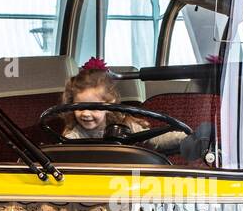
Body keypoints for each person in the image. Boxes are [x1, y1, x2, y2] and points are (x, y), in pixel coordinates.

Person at [60, 59, 209, 158]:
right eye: (79, 107)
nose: (85, 113)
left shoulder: (125, 126)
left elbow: (155, 140)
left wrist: (186, 137)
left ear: (109, 104)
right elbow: (64, 157)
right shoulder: (73, 136)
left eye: (93, 108)